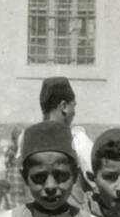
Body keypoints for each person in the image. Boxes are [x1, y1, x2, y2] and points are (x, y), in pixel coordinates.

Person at [39, 77, 94, 207]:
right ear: (64, 106)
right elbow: (97, 180)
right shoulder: (77, 140)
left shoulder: (28, 140)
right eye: (73, 106)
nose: (74, 112)